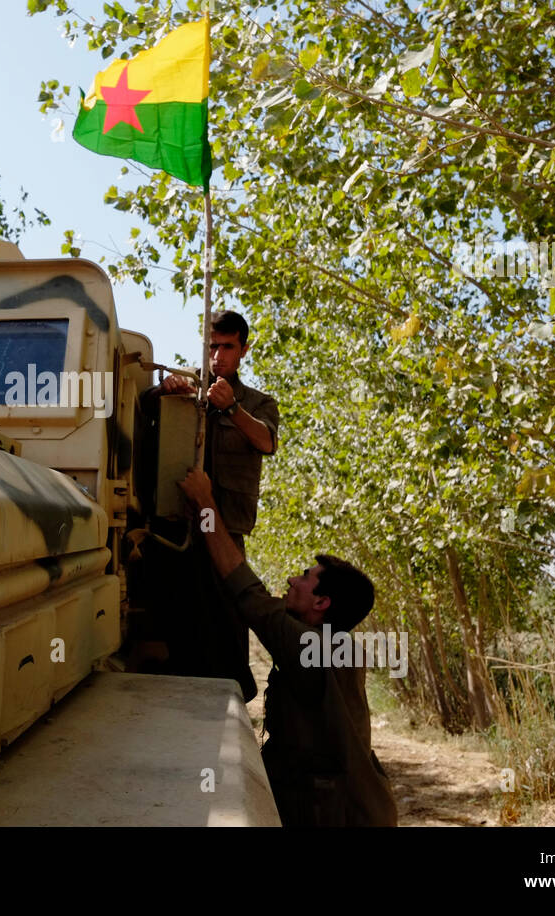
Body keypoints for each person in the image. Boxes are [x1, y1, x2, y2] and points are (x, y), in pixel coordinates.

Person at [178, 466, 398, 827]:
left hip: (339, 815)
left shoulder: (307, 649)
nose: (292, 579)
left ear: (321, 603)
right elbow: (264, 600)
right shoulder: (337, 642)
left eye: (305, 578)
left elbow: (248, 593)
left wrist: (205, 503)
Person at [148, 310, 279, 557]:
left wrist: (232, 408)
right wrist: (163, 392)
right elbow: (141, 409)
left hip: (219, 527)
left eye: (228, 347)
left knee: (223, 589)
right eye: (212, 346)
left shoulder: (258, 403)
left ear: (244, 350)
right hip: (172, 522)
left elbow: (267, 442)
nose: (218, 356)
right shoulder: (185, 382)